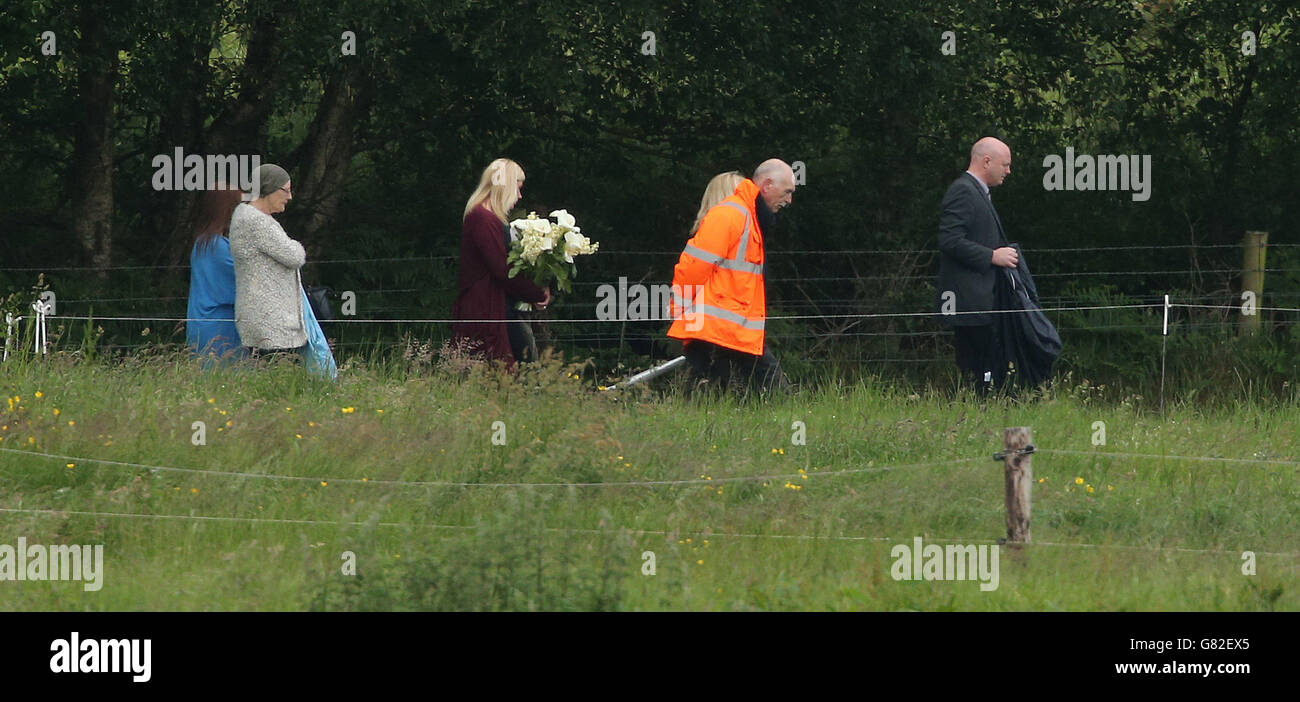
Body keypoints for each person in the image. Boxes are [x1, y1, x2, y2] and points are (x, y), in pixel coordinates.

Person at [666, 160, 795, 395]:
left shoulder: (745, 218)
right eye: (787, 192)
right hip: (719, 331)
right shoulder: (732, 215)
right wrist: (679, 309)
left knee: (707, 400)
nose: (789, 200)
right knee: (772, 394)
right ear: (766, 185)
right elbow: (694, 267)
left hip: (730, 331)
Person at [935, 137, 1021, 393]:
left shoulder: (978, 192)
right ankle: (978, 412)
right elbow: (949, 241)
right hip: (969, 301)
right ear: (986, 161)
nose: (1008, 171)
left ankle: (985, 408)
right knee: (977, 368)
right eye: (1005, 165)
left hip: (983, 299)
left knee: (988, 365)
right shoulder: (963, 191)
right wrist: (992, 256)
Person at [451, 158, 551, 366]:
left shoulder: (487, 218)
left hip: (499, 305)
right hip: (488, 309)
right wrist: (535, 292)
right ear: (505, 186)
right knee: (514, 367)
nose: (520, 195)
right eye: (518, 188)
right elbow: (501, 268)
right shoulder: (482, 218)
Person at [229, 164, 307, 360]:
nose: (290, 197)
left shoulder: (246, 216)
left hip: (262, 318)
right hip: (270, 323)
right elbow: (295, 256)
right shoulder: (257, 222)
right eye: (286, 190)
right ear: (268, 188)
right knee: (279, 383)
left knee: (269, 381)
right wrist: (295, 245)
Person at [186, 183, 246, 363]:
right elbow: (244, 283)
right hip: (220, 327)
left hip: (203, 322)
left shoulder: (203, 243)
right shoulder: (218, 247)